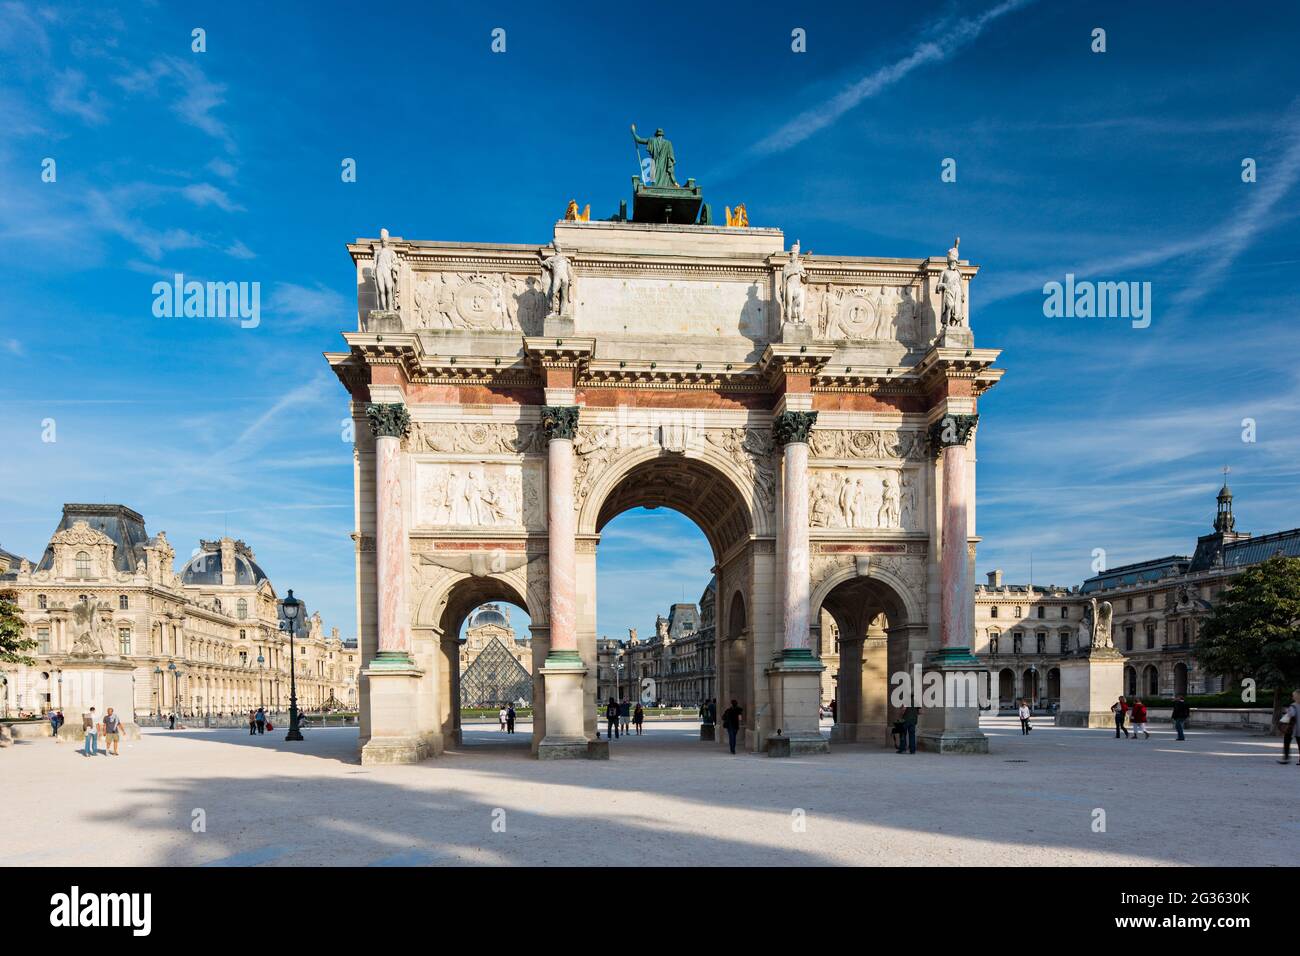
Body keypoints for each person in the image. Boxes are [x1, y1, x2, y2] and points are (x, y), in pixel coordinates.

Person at [1278, 689, 1299, 765]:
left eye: (1294, 695)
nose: (1293, 697)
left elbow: (1291, 715)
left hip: (1291, 728)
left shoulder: (1293, 705)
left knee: (1286, 742)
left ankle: (1286, 758)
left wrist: (1288, 711)